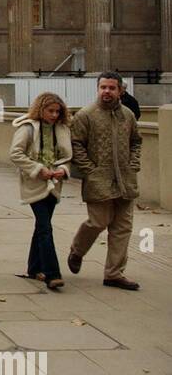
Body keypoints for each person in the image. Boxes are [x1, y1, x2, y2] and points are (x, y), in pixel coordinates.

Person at [68, 71, 142, 290]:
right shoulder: (86, 115)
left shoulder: (127, 115)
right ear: (98, 89)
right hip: (98, 180)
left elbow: (136, 141)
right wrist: (90, 170)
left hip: (126, 180)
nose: (107, 91)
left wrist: (133, 164)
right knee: (98, 222)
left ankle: (114, 274)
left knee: (122, 228)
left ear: (120, 90)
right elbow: (76, 144)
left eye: (111, 88)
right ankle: (77, 250)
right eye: (103, 87)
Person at [9, 92, 73, 290]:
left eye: (57, 111)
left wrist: (63, 170)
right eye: (50, 110)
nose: (54, 115)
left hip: (54, 184)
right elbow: (15, 153)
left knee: (41, 227)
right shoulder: (27, 128)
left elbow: (67, 156)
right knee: (45, 228)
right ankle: (52, 274)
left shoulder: (63, 129)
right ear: (40, 109)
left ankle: (33, 267)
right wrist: (38, 169)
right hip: (35, 183)